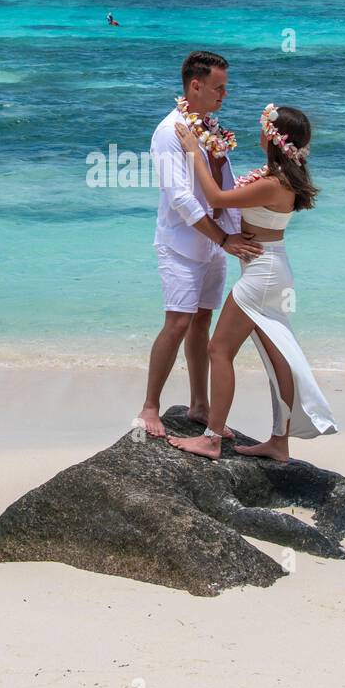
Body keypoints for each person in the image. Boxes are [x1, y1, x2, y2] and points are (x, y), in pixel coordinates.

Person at [167, 103, 337, 461]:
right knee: (277, 355)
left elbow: (216, 198)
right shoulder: (278, 177)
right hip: (270, 268)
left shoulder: (274, 183)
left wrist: (194, 152)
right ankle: (279, 442)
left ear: (274, 137)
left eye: (264, 127)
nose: (258, 131)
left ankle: (212, 438)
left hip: (262, 274)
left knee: (219, 349)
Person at [135, 52, 263, 439]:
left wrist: (242, 229)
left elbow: (224, 181)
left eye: (225, 87)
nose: (225, 93)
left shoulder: (208, 126)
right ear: (195, 86)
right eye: (219, 87)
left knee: (203, 320)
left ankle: (199, 403)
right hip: (182, 243)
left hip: (213, 243)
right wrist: (224, 238)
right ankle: (149, 407)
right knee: (177, 322)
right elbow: (181, 199)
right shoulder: (169, 132)